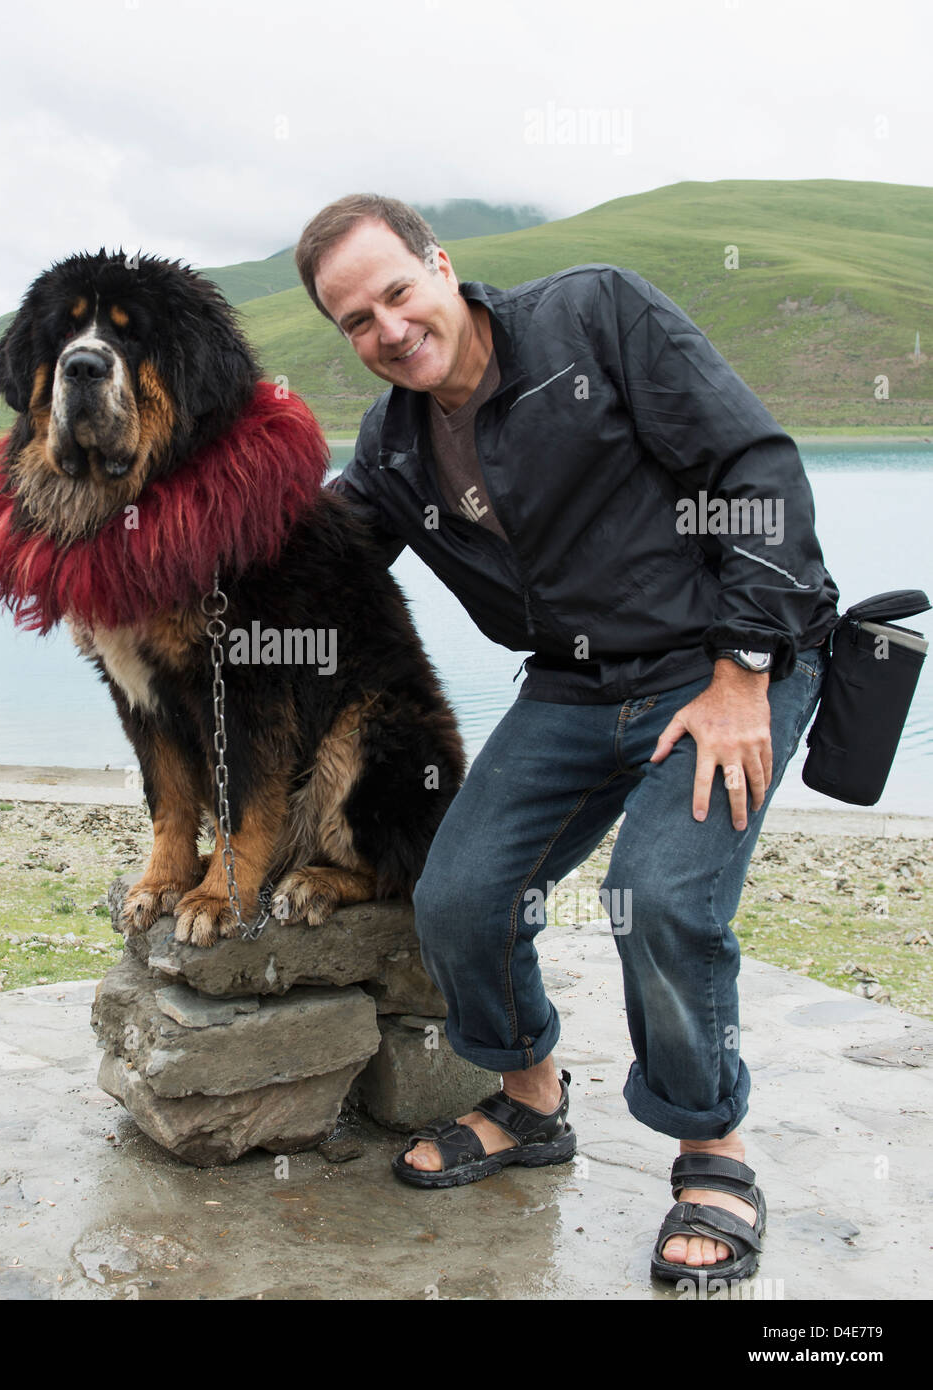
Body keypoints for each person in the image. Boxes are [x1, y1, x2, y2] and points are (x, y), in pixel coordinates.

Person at [293, 193, 838, 1284]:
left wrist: (742, 673)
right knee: (459, 896)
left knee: (666, 896)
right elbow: (318, 556)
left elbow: (755, 472)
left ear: (439, 266)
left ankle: (711, 1153)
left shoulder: (596, 315)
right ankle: (531, 1102)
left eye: (397, 292)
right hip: (576, 686)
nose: (389, 330)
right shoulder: (393, 447)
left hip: (725, 655)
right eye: (356, 321)